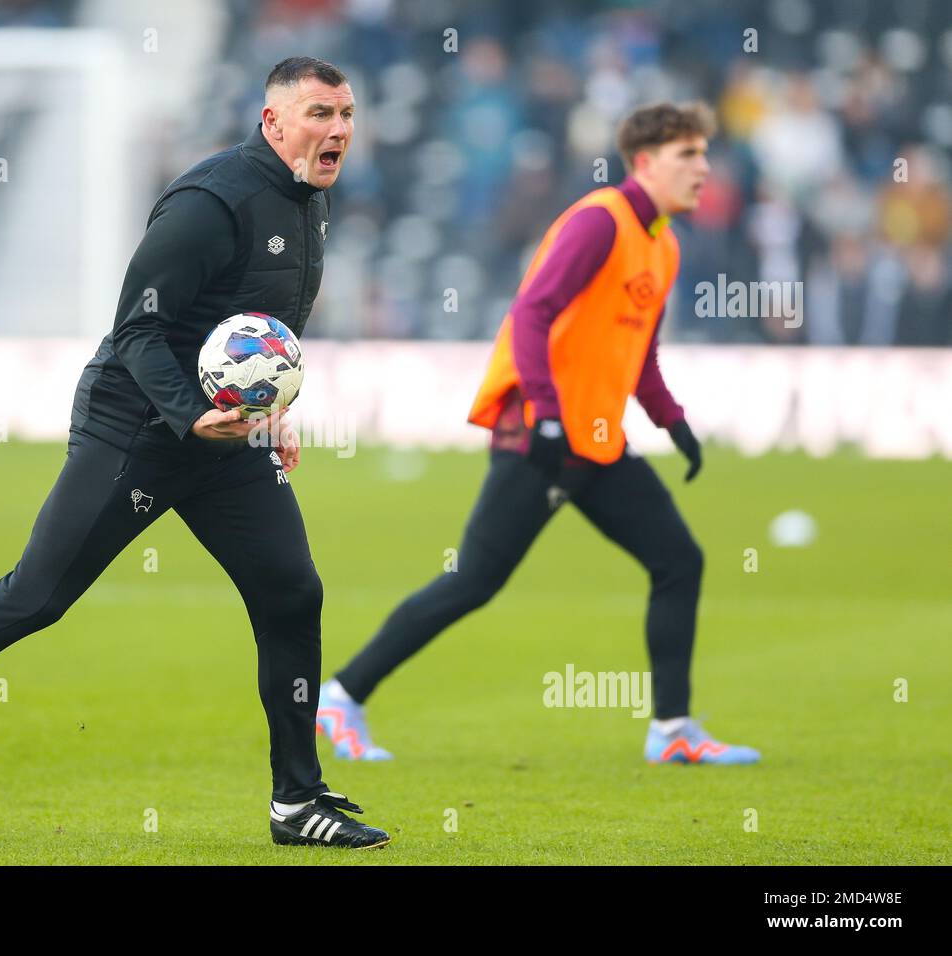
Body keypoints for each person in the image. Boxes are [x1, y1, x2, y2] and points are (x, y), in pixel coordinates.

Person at [0, 57, 392, 849]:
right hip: (136, 426)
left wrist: (267, 411)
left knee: (292, 593)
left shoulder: (312, 200)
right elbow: (137, 327)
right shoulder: (211, 201)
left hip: (223, 435)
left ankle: (296, 802)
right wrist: (193, 415)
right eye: (319, 113)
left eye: (347, 112)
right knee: (35, 596)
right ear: (272, 122)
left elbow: (255, 330)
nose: (338, 129)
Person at [317, 102, 761, 767]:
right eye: (687, 156)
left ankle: (672, 731)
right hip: (541, 435)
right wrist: (548, 412)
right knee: (472, 582)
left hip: (596, 443)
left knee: (678, 560)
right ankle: (341, 696)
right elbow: (531, 314)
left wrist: (671, 418)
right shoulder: (598, 221)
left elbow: (638, 352)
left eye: (704, 154)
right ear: (645, 163)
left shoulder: (663, 244)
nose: (703, 169)